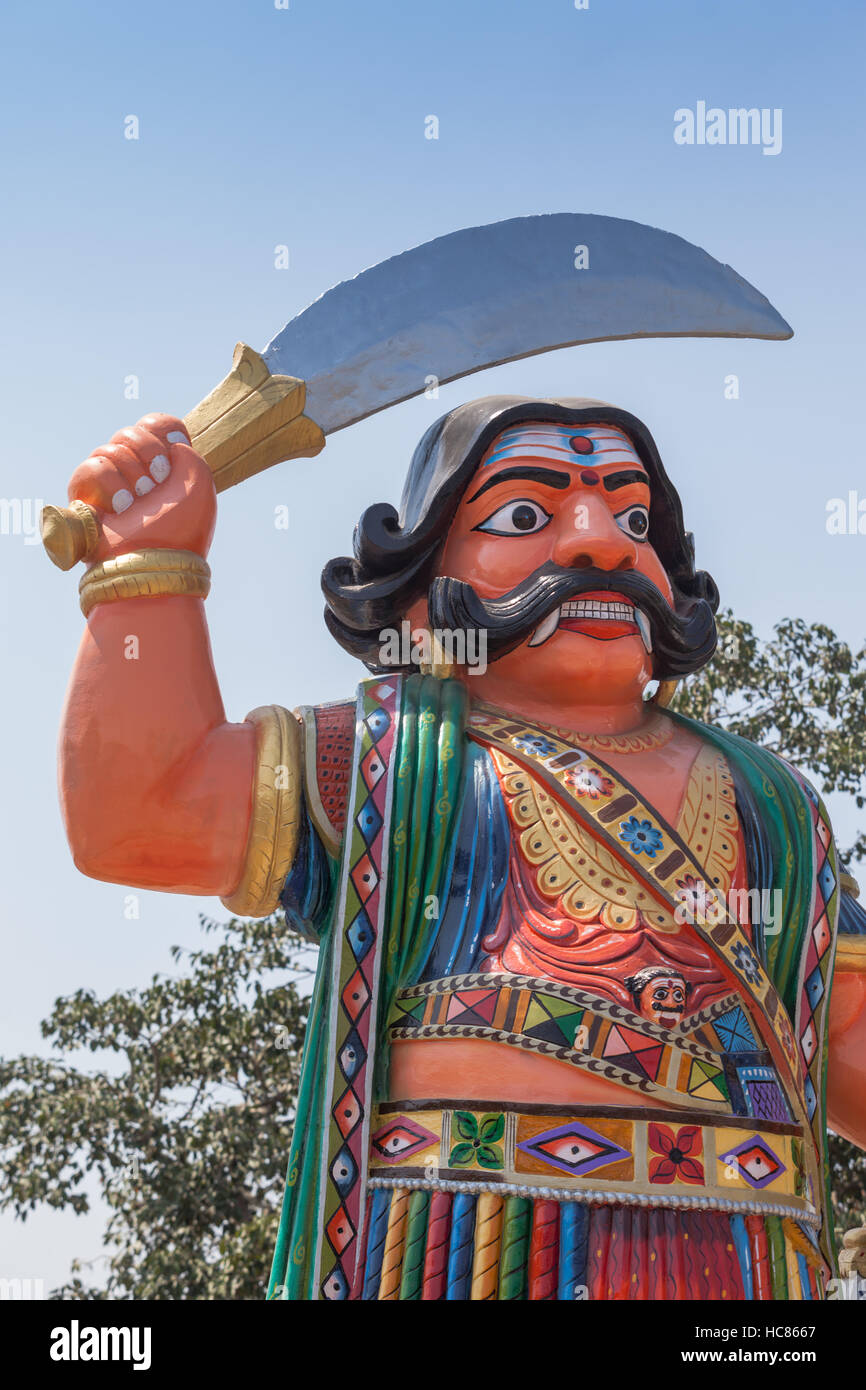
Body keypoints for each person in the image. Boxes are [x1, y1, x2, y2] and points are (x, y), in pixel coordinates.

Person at [58, 396, 866, 1300]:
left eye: (633, 517)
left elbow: (847, 1035)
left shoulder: (772, 805)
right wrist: (146, 570)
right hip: (451, 1247)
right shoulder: (384, 759)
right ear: (417, 583)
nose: (600, 543)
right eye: (526, 514)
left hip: (739, 1270)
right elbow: (144, 816)